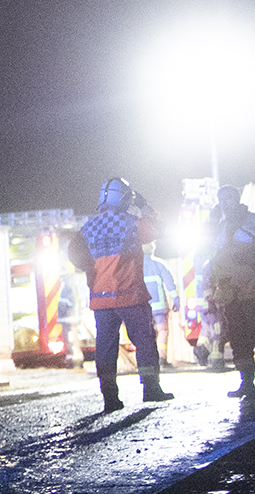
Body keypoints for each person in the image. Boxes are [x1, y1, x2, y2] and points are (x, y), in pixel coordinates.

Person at [67, 177, 173, 412]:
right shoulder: (131, 223)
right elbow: (159, 230)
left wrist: (91, 269)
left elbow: (73, 253)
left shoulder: (88, 227)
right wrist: (145, 206)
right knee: (144, 342)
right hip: (130, 296)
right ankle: (151, 389)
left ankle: (110, 399)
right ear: (125, 199)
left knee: (105, 348)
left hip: (101, 300)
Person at [206, 185, 255, 398]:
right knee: (238, 337)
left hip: (254, 289)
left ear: (237, 200)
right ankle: (247, 383)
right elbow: (211, 255)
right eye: (221, 200)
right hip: (229, 293)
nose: (225, 204)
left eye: (229, 199)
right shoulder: (220, 228)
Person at [142, 251, 180, 365]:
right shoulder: (158, 265)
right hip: (159, 307)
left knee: (146, 333)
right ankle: (162, 358)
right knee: (162, 331)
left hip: (143, 307)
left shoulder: (135, 266)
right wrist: (175, 298)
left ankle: (148, 360)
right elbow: (169, 282)